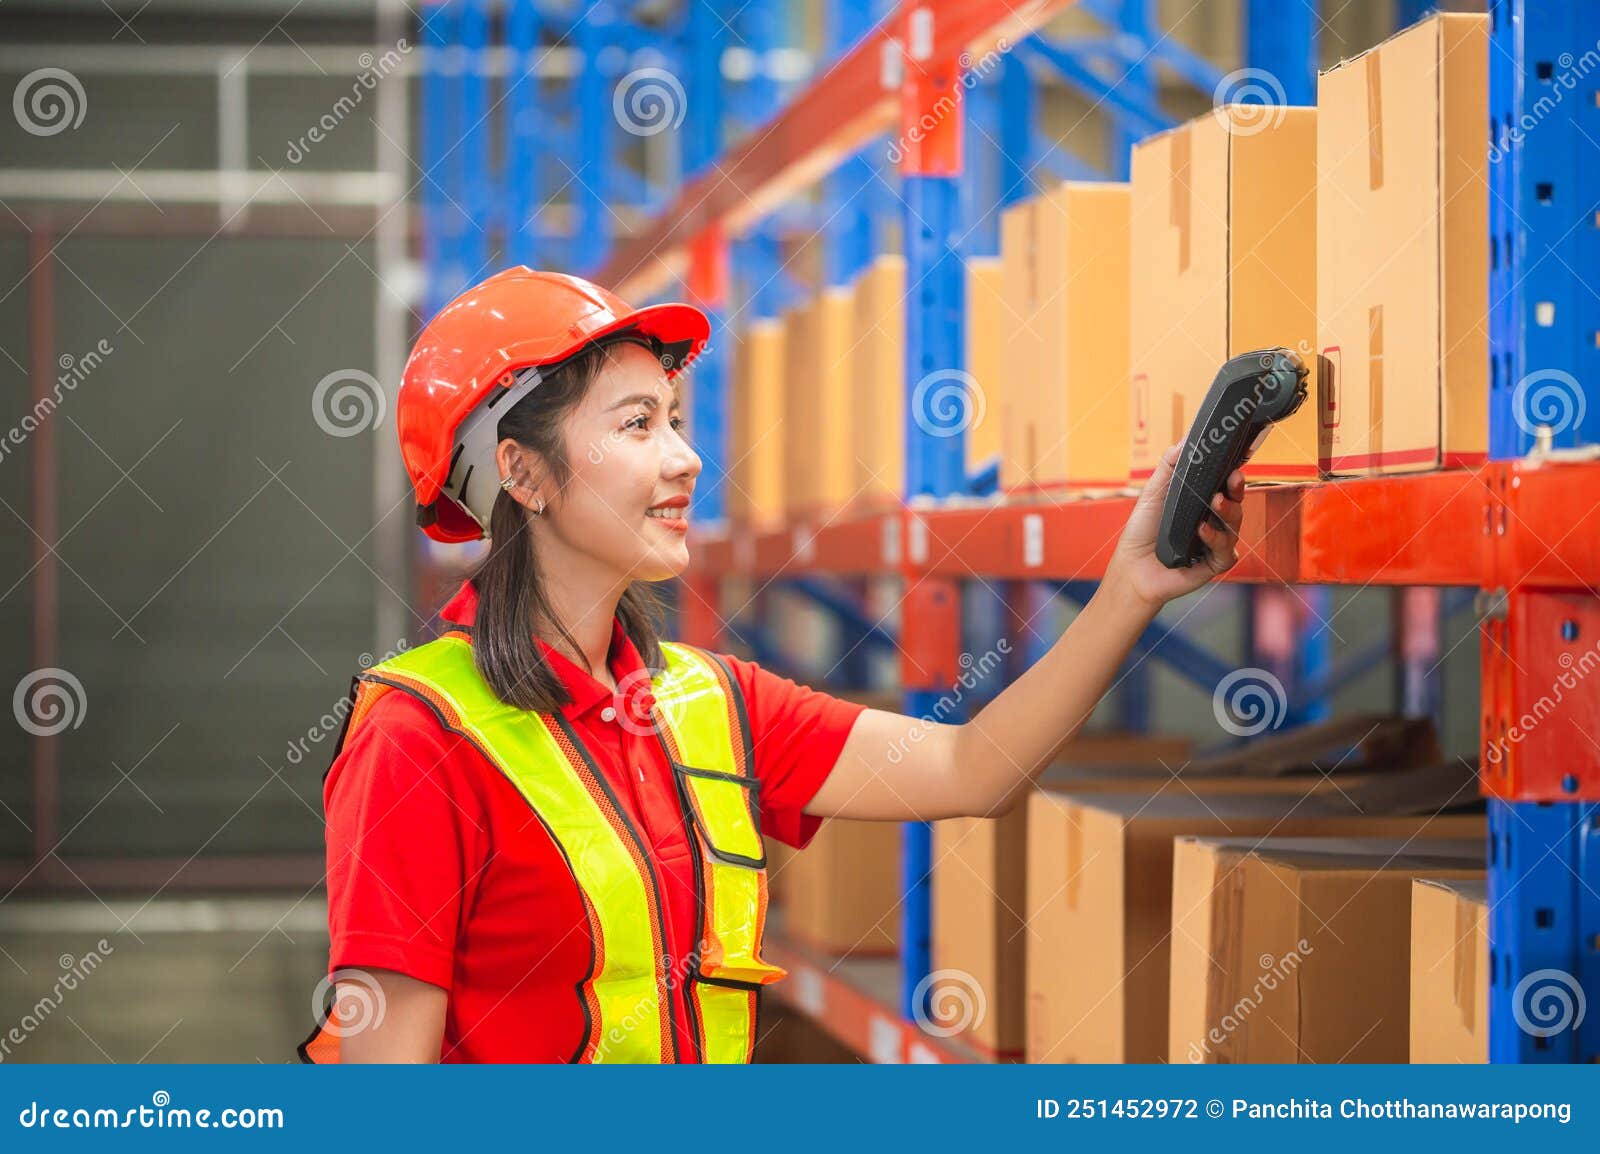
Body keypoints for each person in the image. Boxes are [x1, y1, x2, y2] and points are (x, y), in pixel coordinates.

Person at [299, 267, 1244, 1064]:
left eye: (674, 419)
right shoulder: (420, 736)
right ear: (523, 472)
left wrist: (1129, 590)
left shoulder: (711, 700)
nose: (685, 459)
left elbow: (975, 767)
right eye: (637, 426)